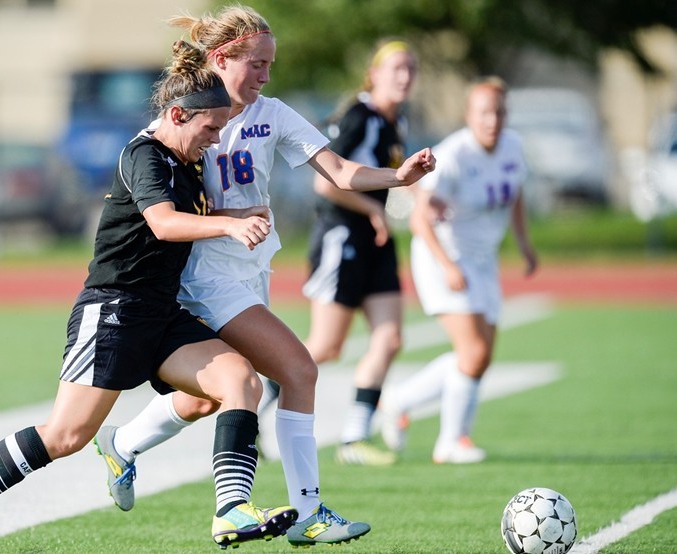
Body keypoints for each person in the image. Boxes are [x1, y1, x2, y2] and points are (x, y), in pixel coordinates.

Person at [0, 41, 300, 554]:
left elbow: (195, 211)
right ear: (178, 115)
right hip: (113, 310)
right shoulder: (143, 155)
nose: (216, 138)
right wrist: (229, 226)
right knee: (66, 436)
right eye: (210, 128)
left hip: (162, 312)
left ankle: (232, 511)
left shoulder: (189, 159)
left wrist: (239, 213)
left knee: (238, 380)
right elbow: (163, 223)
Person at [92, 5, 435, 548]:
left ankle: (123, 443)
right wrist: (224, 222)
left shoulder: (271, 113)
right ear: (221, 59)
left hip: (251, 272)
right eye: (257, 64)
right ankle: (307, 514)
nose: (266, 76)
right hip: (205, 276)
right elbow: (158, 199)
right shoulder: (182, 118)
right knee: (299, 370)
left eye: (270, 65)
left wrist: (399, 176)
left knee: (209, 397)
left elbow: (339, 171)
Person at [258, 38, 419, 467]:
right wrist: (374, 210)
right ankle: (251, 406)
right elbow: (326, 183)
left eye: (411, 69)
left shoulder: (396, 120)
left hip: (376, 243)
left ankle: (354, 438)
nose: (405, 76)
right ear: (374, 74)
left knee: (390, 338)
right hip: (342, 238)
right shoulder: (359, 117)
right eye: (397, 68)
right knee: (326, 346)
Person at [380, 77, 538, 464]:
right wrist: (448, 266)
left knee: (478, 358)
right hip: (443, 257)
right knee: (474, 352)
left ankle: (400, 400)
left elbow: (515, 193)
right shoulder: (454, 156)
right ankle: (451, 442)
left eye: (499, 112)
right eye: (484, 113)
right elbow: (420, 220)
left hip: (482, 260)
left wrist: (523, 242)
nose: (492, 120)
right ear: (469, 115)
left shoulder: (513, 147)